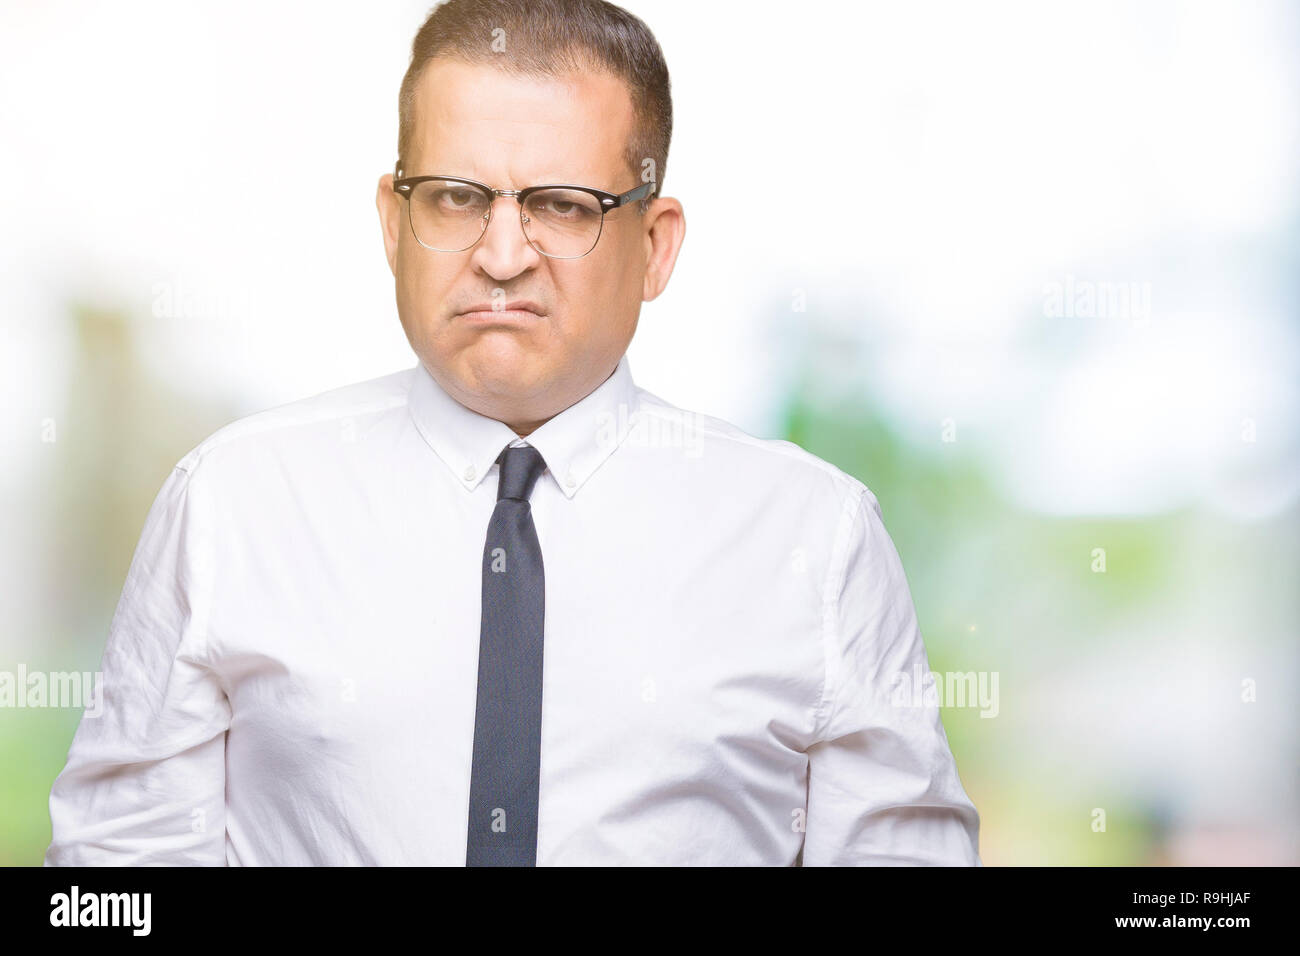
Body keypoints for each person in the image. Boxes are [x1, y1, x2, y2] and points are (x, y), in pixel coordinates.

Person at [44, 0, 981, 866]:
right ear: (392, 222)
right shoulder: (233, 504)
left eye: (562, 205)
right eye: (456, 197)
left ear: (655, 246)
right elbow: (115, 880)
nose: (500, 256)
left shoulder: (815, 540)